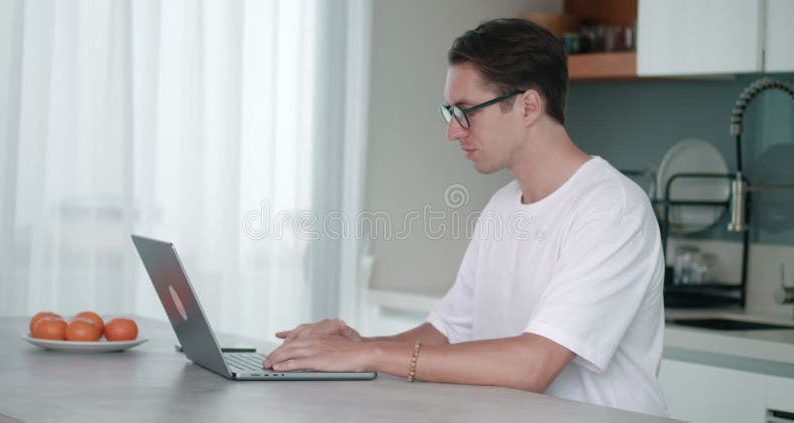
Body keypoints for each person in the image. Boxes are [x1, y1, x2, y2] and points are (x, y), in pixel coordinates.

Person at [263, 18, 667, 416]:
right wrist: (347, 349)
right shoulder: (503, 206)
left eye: (467, 111)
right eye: (451, 112)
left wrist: (370, 355)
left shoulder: (612, 209)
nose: (453, 132)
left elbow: (534, 366)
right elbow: (447, 333)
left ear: (528, 106)